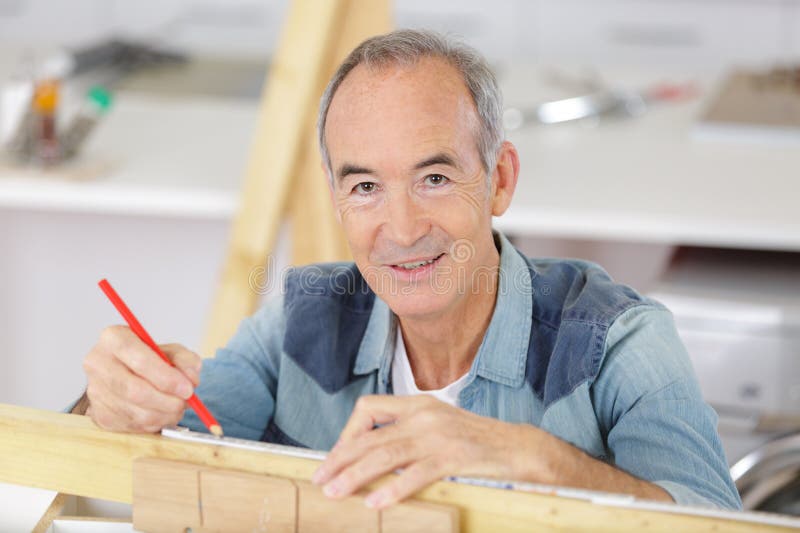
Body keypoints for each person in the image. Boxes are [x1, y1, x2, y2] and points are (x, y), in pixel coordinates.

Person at [79, 29, 741, 511]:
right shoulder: (301, 322)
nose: (400, 230)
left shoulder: (617, 340)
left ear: (499, 179)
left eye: (434, 177)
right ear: (337, 198)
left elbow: (717, 522)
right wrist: (115, 401)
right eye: (365, 187)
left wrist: (541, 462)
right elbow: (176, 441)